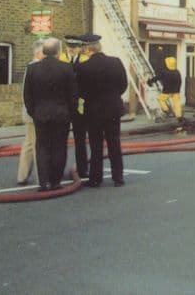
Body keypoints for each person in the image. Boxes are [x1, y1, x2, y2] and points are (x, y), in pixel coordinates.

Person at [23, 37, 77, 191]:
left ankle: (44, 181)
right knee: (59, 146)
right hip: (62, 114)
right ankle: (56, 180)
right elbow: (73, 94)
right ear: (59, 51)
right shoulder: (67, 68)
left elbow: (27, 95)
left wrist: (33, 112)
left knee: (43, 147)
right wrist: (70, 113)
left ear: (44, 51)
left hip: (40, 114)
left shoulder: (32, 69)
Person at [76, 34, 127, 187]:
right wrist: (113, 96)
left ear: (86, 49)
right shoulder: (116, 62)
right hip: (113, 108)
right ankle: (118, 177)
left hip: (93, 110)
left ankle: (96, 178)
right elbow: (123, 85)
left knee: (95, 145)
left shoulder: (83, 68)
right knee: (114, 142)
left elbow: (80, 91)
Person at [61, 35, 90, 179]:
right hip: (63, 105)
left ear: (79, 48)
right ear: (66, 46)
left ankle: (82, 169)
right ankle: (59, 170)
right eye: (70, 47)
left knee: (80, 139)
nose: (72, 50)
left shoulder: (85, 60)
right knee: (61, 140)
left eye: (75, 47)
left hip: (80, 106)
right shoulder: (59, 59)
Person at [17, 39, 45, 186]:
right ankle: (41, 178)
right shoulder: (35, 67)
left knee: (28, 144)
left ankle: (22, 176)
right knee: (36, 145)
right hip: (34, 113)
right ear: (38, 53)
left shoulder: (31, 66)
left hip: (30, 112)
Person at [147, 56, 186, 135]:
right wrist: (178, 90)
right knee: (177, 105)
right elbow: (180, 81)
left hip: (167, 91)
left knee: (160, 99)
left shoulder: (164, 71)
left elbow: (156, 78)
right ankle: (179, 118)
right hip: (176, 91)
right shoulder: (177, 72)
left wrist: (149, 82)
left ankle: (166, 110)